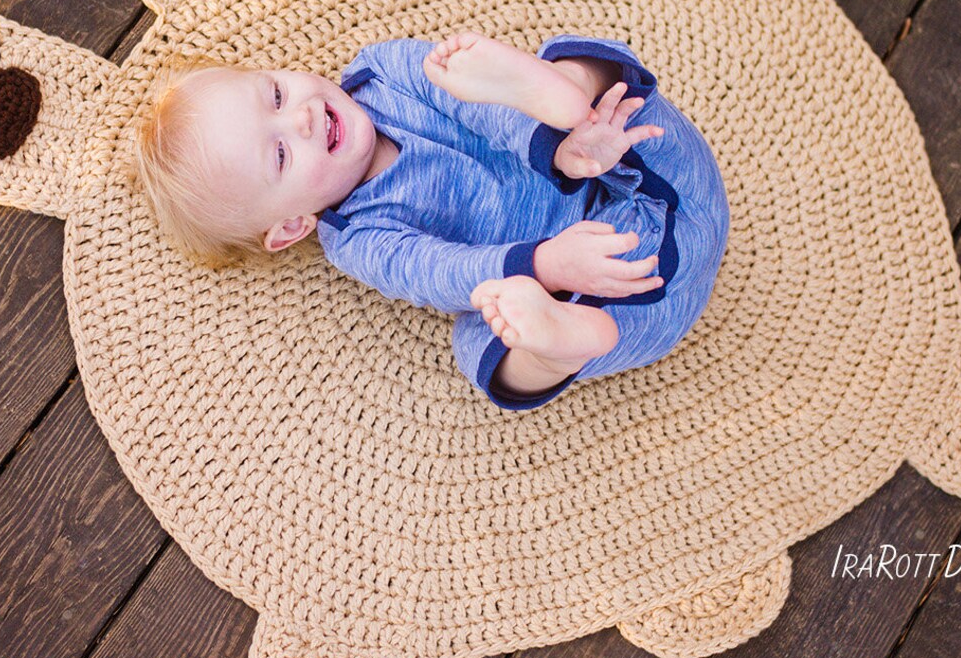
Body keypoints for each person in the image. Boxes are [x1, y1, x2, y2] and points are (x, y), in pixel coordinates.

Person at [134, 32, 729, 409]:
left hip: (640, 177)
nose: (302, 121)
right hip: (619, 281)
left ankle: (561, 90)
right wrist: (546, 265)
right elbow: (440, 270)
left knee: (590, 72)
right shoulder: (358, 239)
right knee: (479, 341)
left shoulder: (384, 71)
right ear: (291, 226)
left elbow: (479, 106)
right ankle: (555, 349)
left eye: (275, 96)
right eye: (281, 155)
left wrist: (563, 146)